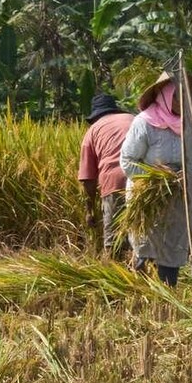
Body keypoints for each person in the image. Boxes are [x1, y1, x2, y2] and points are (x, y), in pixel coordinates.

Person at [119, 72, 190, 286]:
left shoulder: (188, 124)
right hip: (148, 196)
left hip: (176, 197)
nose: (183, 101)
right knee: (146, 244)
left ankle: (169, 293)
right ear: (166, 96)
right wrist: (158, 176)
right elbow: (127, 161)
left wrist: (188, 174)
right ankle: (142, 293)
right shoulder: (145, 123)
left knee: (173, 243)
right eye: (178, 96)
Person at [76, 92, 136, 259]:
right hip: (144, 179)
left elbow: (88, 178)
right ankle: (149, 277)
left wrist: (90, 211)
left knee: (114, 242)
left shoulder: (92, 131)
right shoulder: (134, 118)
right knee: (144, 236)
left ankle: (112, 277)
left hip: (115, 182)